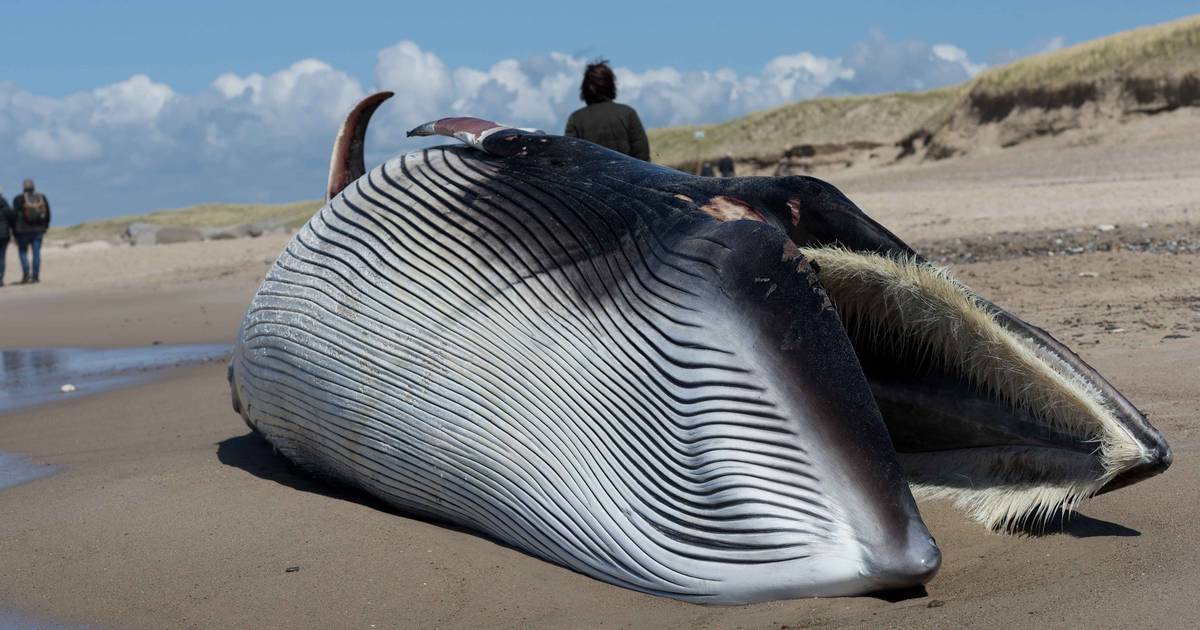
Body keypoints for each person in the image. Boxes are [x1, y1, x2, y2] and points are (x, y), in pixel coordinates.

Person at [564, 60, 650, 161]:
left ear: (585, 88)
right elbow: (642, 156)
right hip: (625, 175)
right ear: (611, 85)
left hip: (591, 176)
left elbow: (569, 157)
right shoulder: (628, 113)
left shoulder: (576, 118)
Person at [12, 179, 51, 284]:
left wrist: (14, 232)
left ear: (23, 188)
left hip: (22, 231)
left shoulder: (18, 199)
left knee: (22, 252)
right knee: (36, 254)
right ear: (34, 187)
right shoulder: (41, 198)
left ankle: (26, 274)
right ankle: (35, 277)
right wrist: (45, 227)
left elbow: (14, 216)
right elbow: (48, 214)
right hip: (38, 230)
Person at [0, 187, 11, 287]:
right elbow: (11, 217)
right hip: (4, 234)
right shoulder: (5, 203)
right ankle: (1, 278)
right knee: (2, 257)